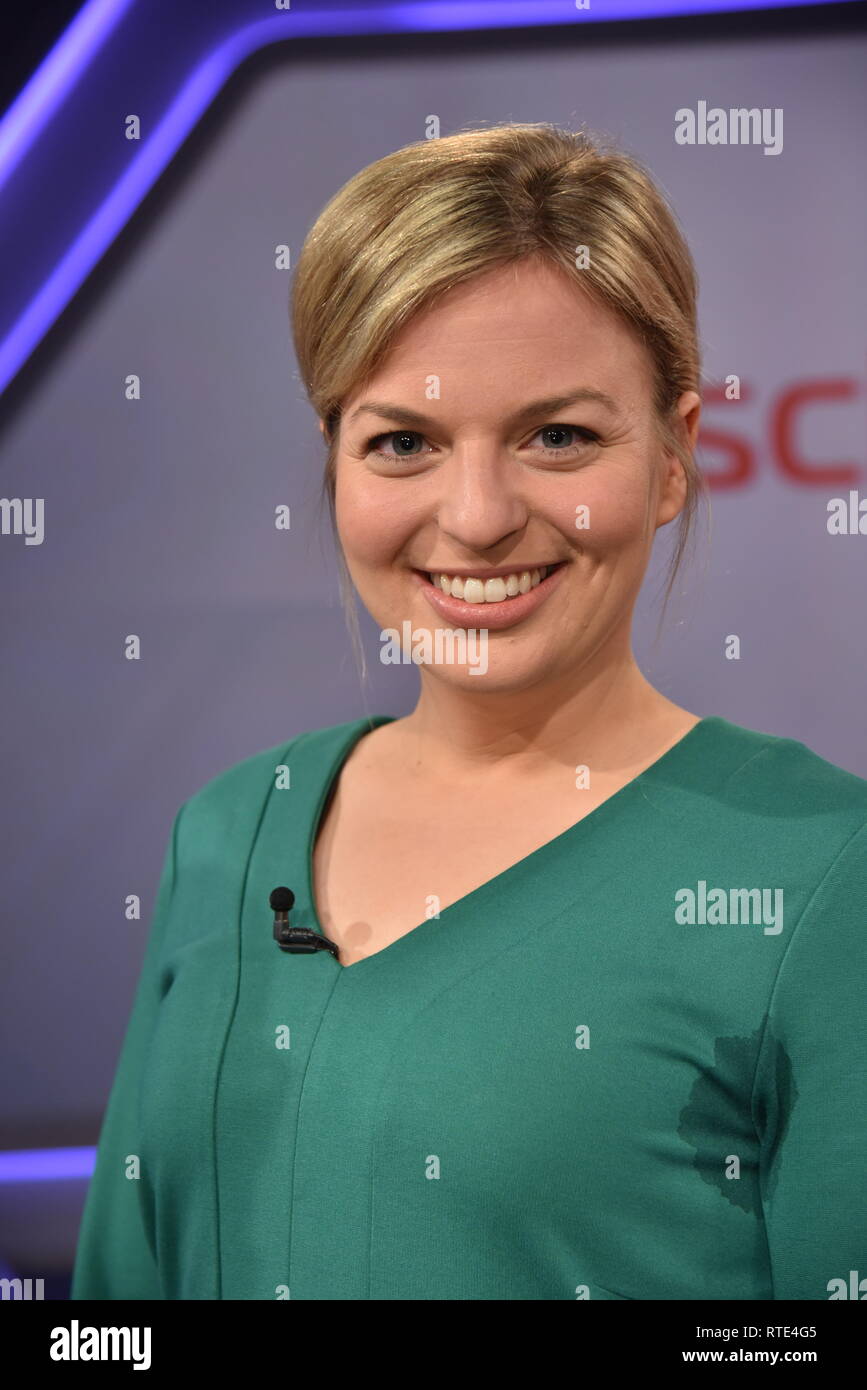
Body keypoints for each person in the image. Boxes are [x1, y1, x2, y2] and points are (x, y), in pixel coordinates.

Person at [71, 123, 867, 1301]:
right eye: (404, 442)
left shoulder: (824, 872)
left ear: (671, 459)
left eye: (559, 436)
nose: (480, 513)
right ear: (335, 463)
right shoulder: (231, 830)